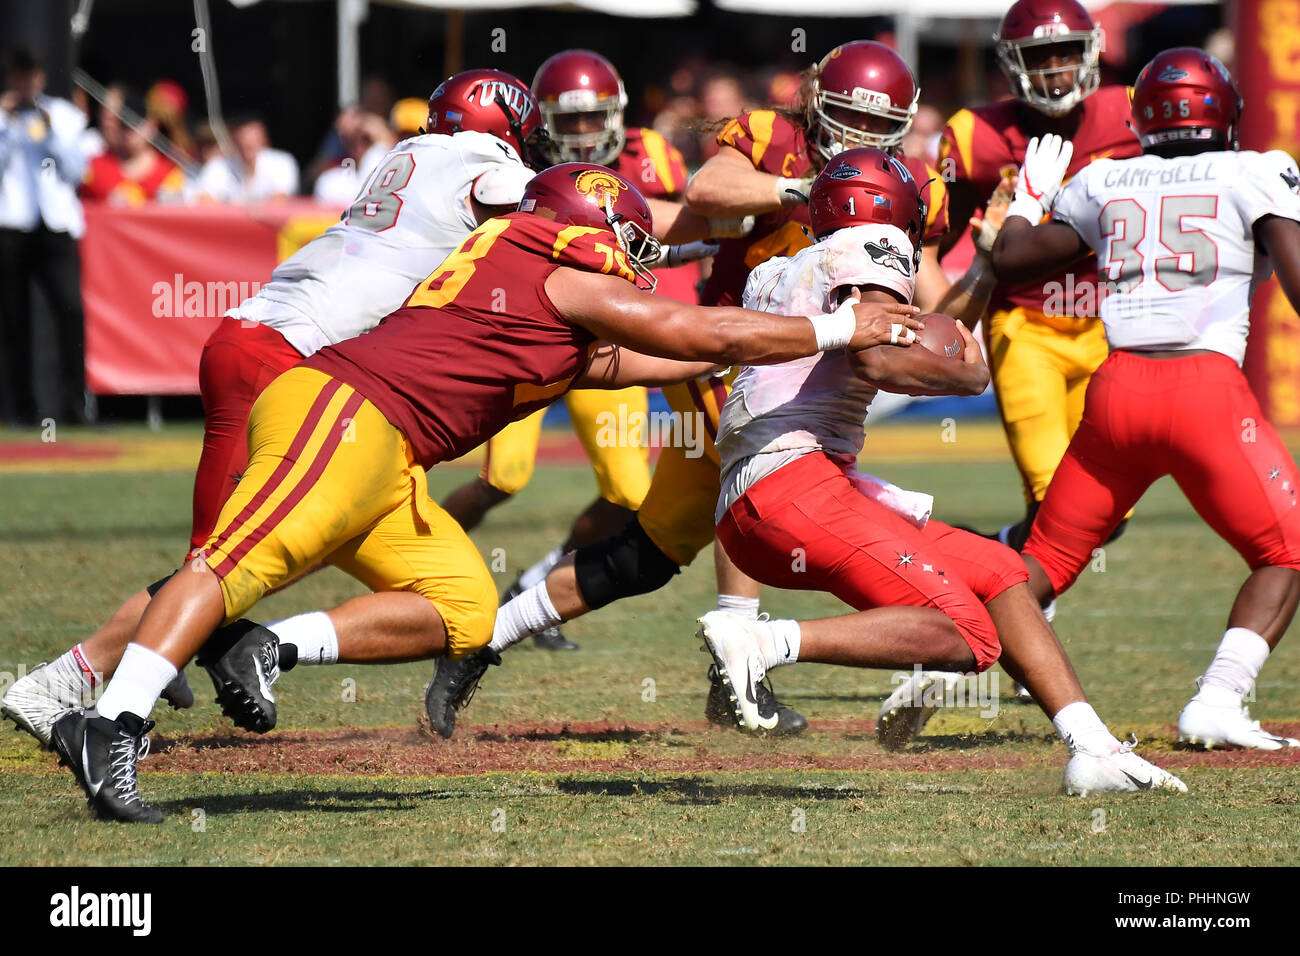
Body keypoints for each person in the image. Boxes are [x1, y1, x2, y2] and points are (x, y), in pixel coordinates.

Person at [46, 161, 923, 823]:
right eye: (629, 245)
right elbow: (693, 323)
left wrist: (800, 347)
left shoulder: (539, 283)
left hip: (389, 454)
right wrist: (842, 322)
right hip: (350, 415)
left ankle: (265, 648)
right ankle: (111, 725)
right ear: (591, 229)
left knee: (461, 606)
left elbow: (674, 352)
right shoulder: (557, 261)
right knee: (233, 563)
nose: (634, 264)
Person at [423, 40, 1006, 740]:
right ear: (817, 104)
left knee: (647, 553)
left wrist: (992, 265)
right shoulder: (774, 139)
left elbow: (937, 320)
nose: (857, 139)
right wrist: (802, 189)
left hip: (813, 395)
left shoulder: (914, 185)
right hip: (737, 364)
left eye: (876, 128)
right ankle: (746, 662)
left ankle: (488, 639)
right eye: (846, 118)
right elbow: (707, 192)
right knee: (772, 494)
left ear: (904, 126)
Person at [1, 69, 546, 749]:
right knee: (223, 567)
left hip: (269, 345)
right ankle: (79, 693)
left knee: (230, 563)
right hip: (290, 361)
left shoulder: (410, 155)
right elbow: (551, 216)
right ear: (505, 129)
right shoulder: (481, 163)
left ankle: (146, 672)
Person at [700, 147, 1183, 795]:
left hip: (761, 498)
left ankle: (1092, 750)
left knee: (1003, 572)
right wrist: (967, 374)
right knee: (968, 637)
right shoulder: (875, 244)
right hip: (795, 485)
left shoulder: (781, 269)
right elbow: (881, 357)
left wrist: (984, 265)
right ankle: (762, 642)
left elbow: (932, 330)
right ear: (890, 210)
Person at [991, 47, 1300, 751]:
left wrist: (1030, 198)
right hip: (1206, 392)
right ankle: (1217, 701)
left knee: (1044, 561)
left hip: (1119, 389)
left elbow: (1011, 261)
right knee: (1287, 551)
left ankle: (939, 650)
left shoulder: (1105, 177)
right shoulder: (1257, 170)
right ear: (1225, 112)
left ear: (1143, 116)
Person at [439, 50, 712, 651]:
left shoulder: (651, 156)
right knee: (504, 476)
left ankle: (536, 589)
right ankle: (417, 571)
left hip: (607, 345)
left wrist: (715, 237)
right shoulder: (515, 166)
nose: (585, 134)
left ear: (618, 116)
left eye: (596, 119)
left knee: (628, 492)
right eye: (572, 121)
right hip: (530, 340)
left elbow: (670, 225)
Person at [937, 0, 1141, 550]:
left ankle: (996, 553)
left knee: (1105, 512)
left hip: (1111, 326)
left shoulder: (1130, 113)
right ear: (1011, 62)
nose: (1054, 69)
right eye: (1038, 56)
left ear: (1091, 53)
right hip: (1025, 326)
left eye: (1066, 53)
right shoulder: (976, 135)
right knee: (1056, 503)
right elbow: (932, 241)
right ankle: (1023, 617)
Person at [0, 49, 88, 427]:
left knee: (71, 311)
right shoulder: (1, 116)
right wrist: (5, 124)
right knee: (13, 318)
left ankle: (75, 407)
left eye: (29, 78)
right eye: (17, 79)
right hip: (12, 224)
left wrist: (49, 130)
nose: (24, 86)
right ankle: (19, 408)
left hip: (54, 225)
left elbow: (76, 170)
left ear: (40, 79)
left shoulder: (65, 116)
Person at [80, 94, 184, 205]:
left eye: (136, 123)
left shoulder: (170, 174)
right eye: (124, 124)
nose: (130, 131)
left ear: (152, 125)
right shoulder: (92, 170)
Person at [190, 114, 298, 202]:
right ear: (233, 142)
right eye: (242, 145)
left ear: (264, 141)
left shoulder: (282, 163)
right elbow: (204, 200)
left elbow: (280, 200)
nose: (246, 150)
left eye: (251, 145)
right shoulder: (217, 166)